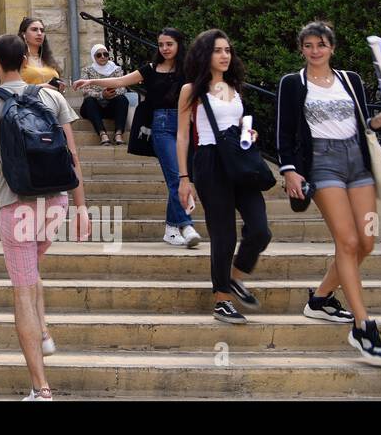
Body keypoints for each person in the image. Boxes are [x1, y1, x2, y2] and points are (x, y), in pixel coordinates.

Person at [0, 33, 89, 401]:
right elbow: (73, 158)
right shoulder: (53, 96)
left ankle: (41, 388)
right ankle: (44, 333)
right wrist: (81, 208)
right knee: (31, 273)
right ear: (26, 62)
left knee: (22, 291)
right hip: (56, 201)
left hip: (16, 205)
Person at [277, 21, 381, 364]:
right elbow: (285, 133)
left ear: (332, 47)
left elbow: (363, 124)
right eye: (308, 45)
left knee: (367, 242)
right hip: (321, 162)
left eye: (321, 44)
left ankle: (320, 298)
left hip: (357, 161)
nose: (315, 51)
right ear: (301, 49)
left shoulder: (351, 80)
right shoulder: (292, 83)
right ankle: (363, 326)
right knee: (347, 242)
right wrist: (289, 170)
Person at [175, 29, 270, 325]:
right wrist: (183, 178)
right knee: (224, 234)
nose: (225, 55)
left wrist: (250, 132)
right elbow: (181, 135)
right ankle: (222, 300)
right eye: (218, 50)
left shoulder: (235, 87)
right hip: (209, 161)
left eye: (228, 50)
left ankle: (236, 276)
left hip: (239, 161)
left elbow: (238, 123)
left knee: (260, 229)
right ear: (206, 54)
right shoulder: (191, 90)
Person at [75, 28, 200, 249]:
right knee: (175, 177)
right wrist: (91, 83)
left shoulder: (189, 70)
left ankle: (171, 229)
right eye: (161, 44)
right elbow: (120, 81)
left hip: (185, 126)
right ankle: (185, 225)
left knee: (185, 176)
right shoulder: (151, 69)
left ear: (179, 44)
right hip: (161, 127)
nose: (164, 48)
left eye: (169, 44)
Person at [78, 44, 129, 146]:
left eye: (105, 54)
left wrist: (110, 94)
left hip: (111, 107)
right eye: (99, 55)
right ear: (93, 56)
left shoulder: (116, 69)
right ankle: (102, 134)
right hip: (93, 108)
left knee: (122, 99)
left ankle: (118, 134)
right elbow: (85, 90)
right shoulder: (87, 70)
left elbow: (122, 88)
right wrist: (102, 95)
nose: (103, 57)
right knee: (89, 100)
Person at [17, 17, 65, 91]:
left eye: (42, 30)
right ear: (24, 34)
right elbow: (13, 89)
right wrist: (42, 87)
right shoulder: (17, 58)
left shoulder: (48, 59)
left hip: (52, 100)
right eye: (34, 30)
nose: (39, 33)